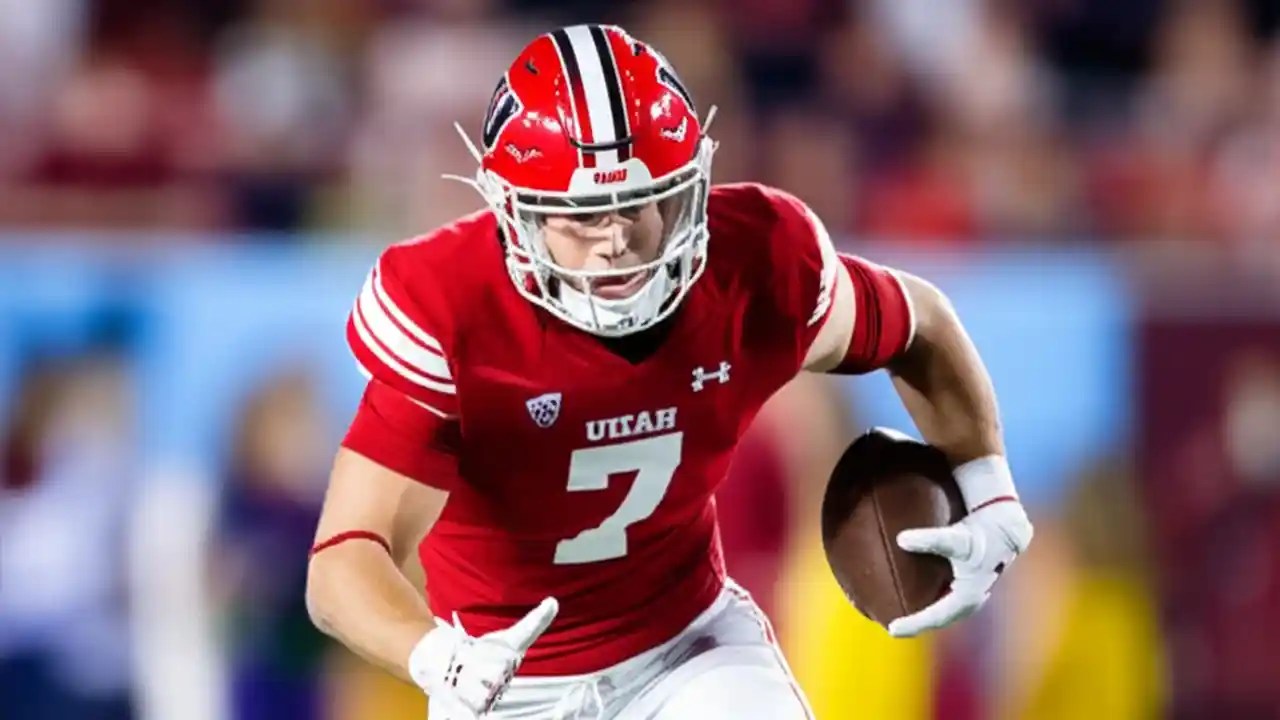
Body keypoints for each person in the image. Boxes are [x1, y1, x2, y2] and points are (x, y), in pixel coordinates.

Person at [305, 24, 1033, 720]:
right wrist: (437, 657)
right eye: (582, 215)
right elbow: (342, 563)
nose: (617, 237)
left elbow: (921, 323)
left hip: (690, 652)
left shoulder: (753, 265)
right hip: (504, 680)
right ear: (516, 214)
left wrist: (988, 484)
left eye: (640, 201)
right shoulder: (456, 308)